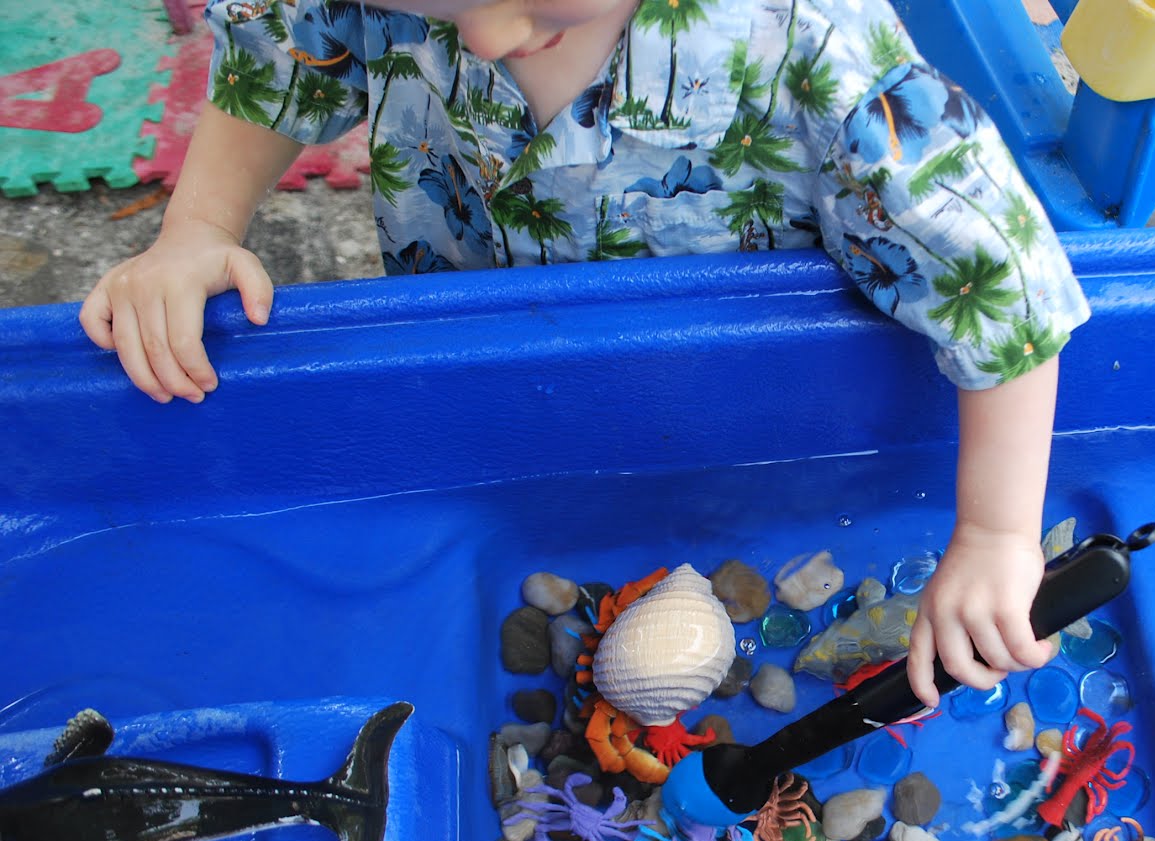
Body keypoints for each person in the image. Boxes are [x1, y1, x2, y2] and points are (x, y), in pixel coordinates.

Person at [79, 0, 1092, 710]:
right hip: (483, 353)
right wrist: (197, 228)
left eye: (529, 6)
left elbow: (1003, 277)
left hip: (741, 401)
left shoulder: (813, 41)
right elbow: (280, 60)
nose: (489, 36)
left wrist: (996, 534)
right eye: (438, 11)